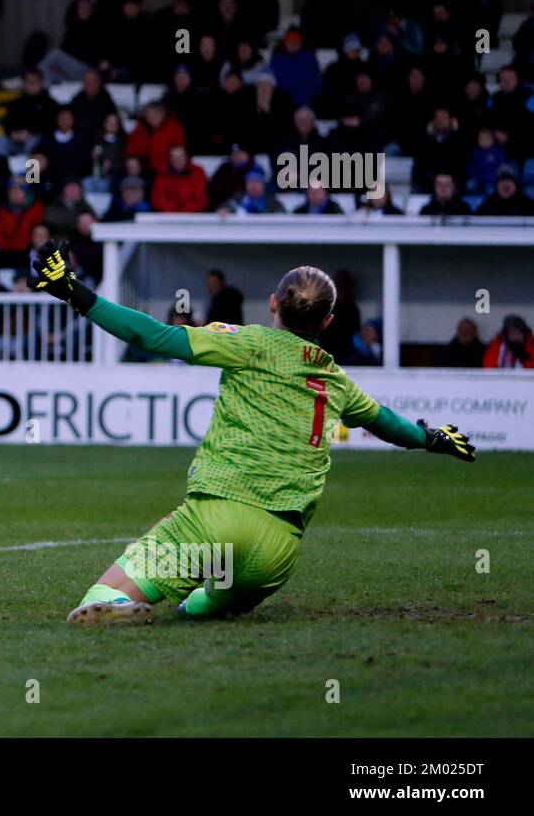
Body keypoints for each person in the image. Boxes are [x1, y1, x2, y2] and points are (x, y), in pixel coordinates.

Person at [33, 244, 475, 625]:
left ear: (273, 304)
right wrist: (431, 437)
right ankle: (200, 604)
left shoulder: (247, 342)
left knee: (106, 595)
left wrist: (74, 290)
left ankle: (118, 601)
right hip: (277, 552)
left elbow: (154, 336)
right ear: (327, 322)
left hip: (217, 520)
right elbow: (387, 423)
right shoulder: (337, 380)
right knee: (200, 606)